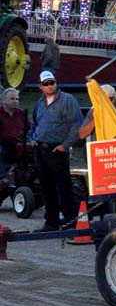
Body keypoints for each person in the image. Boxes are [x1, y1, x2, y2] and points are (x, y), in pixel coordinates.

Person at [28, 70, 83, 232]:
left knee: (63, 186)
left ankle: (70, 220)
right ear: (40, 87)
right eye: (46, 84)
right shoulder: (39, 103)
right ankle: (51, 222)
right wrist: (32, 138)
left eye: (52, 82)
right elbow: (34, 123)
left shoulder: (67, 100)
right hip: (40, 148)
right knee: (46, 186)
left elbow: (77, 124)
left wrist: (65, 145)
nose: (49, 86)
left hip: (57, 149)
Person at [0, 86, 28, 181]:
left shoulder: (22, 114)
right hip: (4, 147)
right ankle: (2, 178)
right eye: (12, 98)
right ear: (4, 100)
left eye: (17, 99)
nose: (15, 101)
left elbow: (32, 129)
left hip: (19, 145)